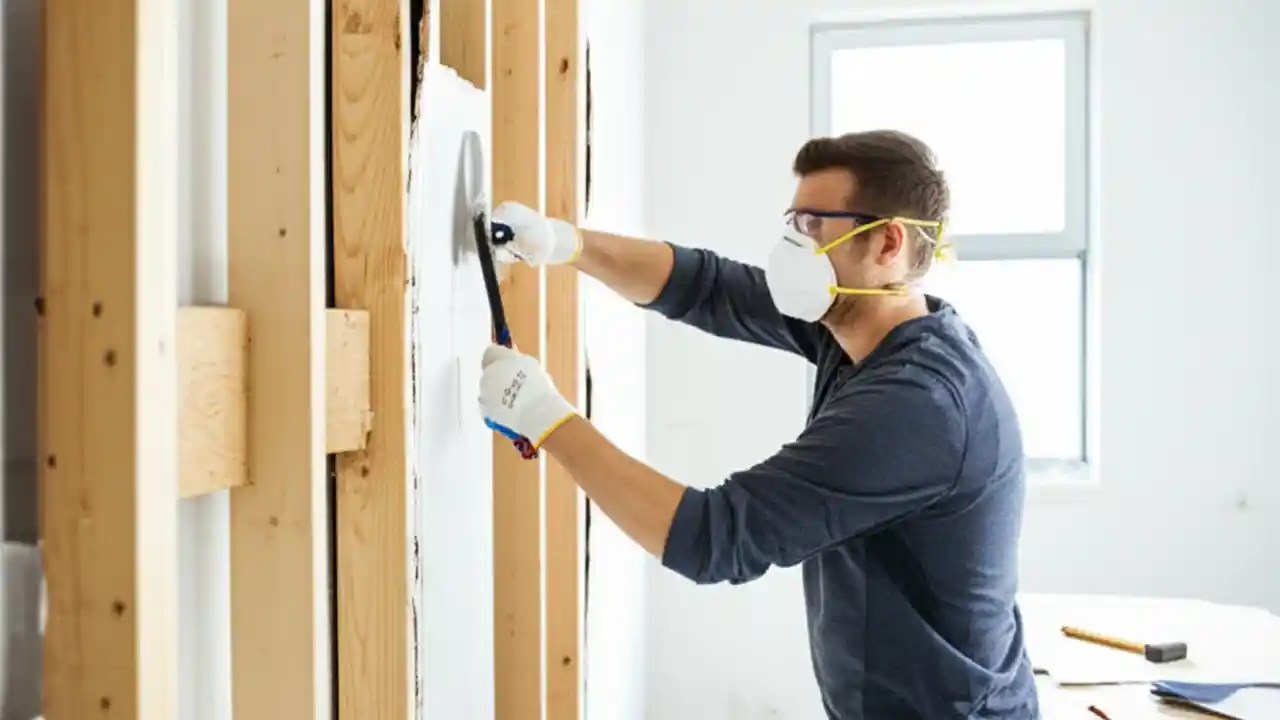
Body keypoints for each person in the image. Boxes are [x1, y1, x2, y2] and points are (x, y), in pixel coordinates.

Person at [477, 130, 1039, 719]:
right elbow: (710, 288)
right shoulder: (861, 328)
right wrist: (564, 242)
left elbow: (713, 538)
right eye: (793, 222)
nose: (793, 246)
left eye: (815, 227)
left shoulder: (917, 406)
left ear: (887, 244)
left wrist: (544, 416)